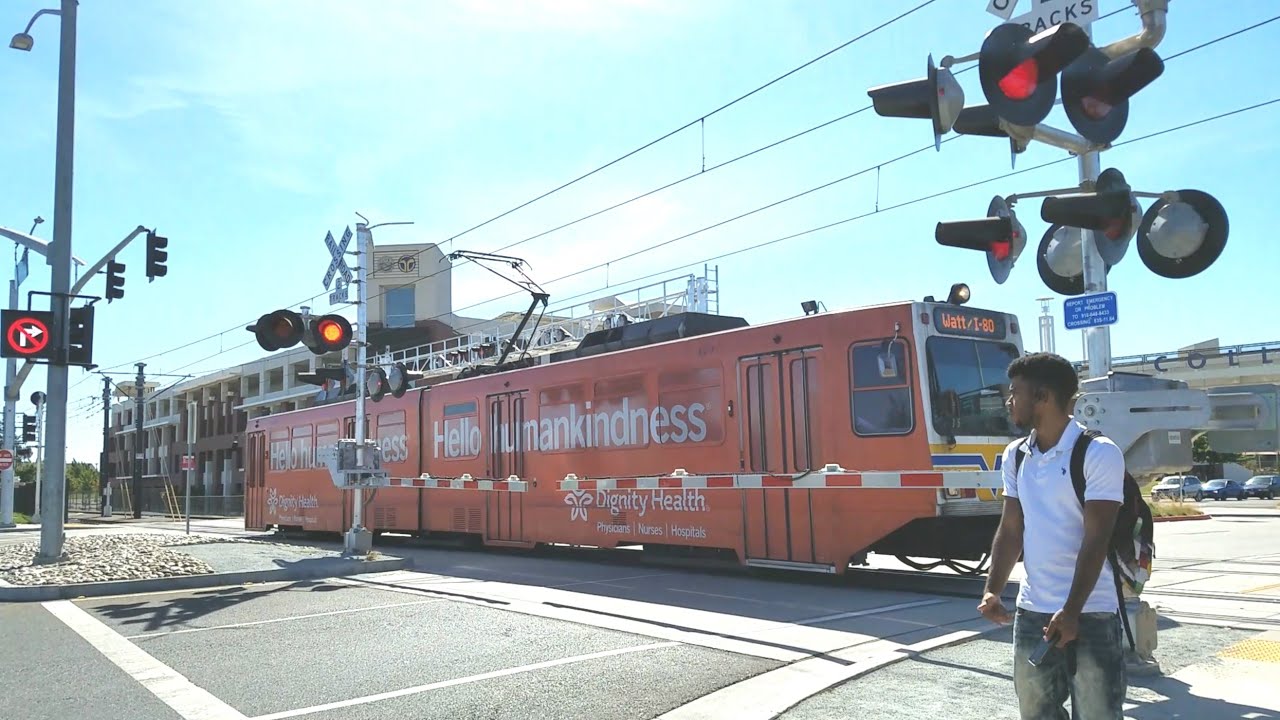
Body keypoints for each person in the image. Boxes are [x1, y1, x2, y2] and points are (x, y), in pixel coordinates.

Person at [977, 352, 1128, 719]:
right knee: (1036, 713)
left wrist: (1072, 611)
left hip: (1091, 613)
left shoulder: (1098, 453)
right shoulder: (1015, 456)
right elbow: (1011, 528)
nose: (1009, 400)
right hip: (1032, 613)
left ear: (1042, 397)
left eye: (1015, 391)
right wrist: (992, 588)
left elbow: (1097, 539)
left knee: (1098, 714)